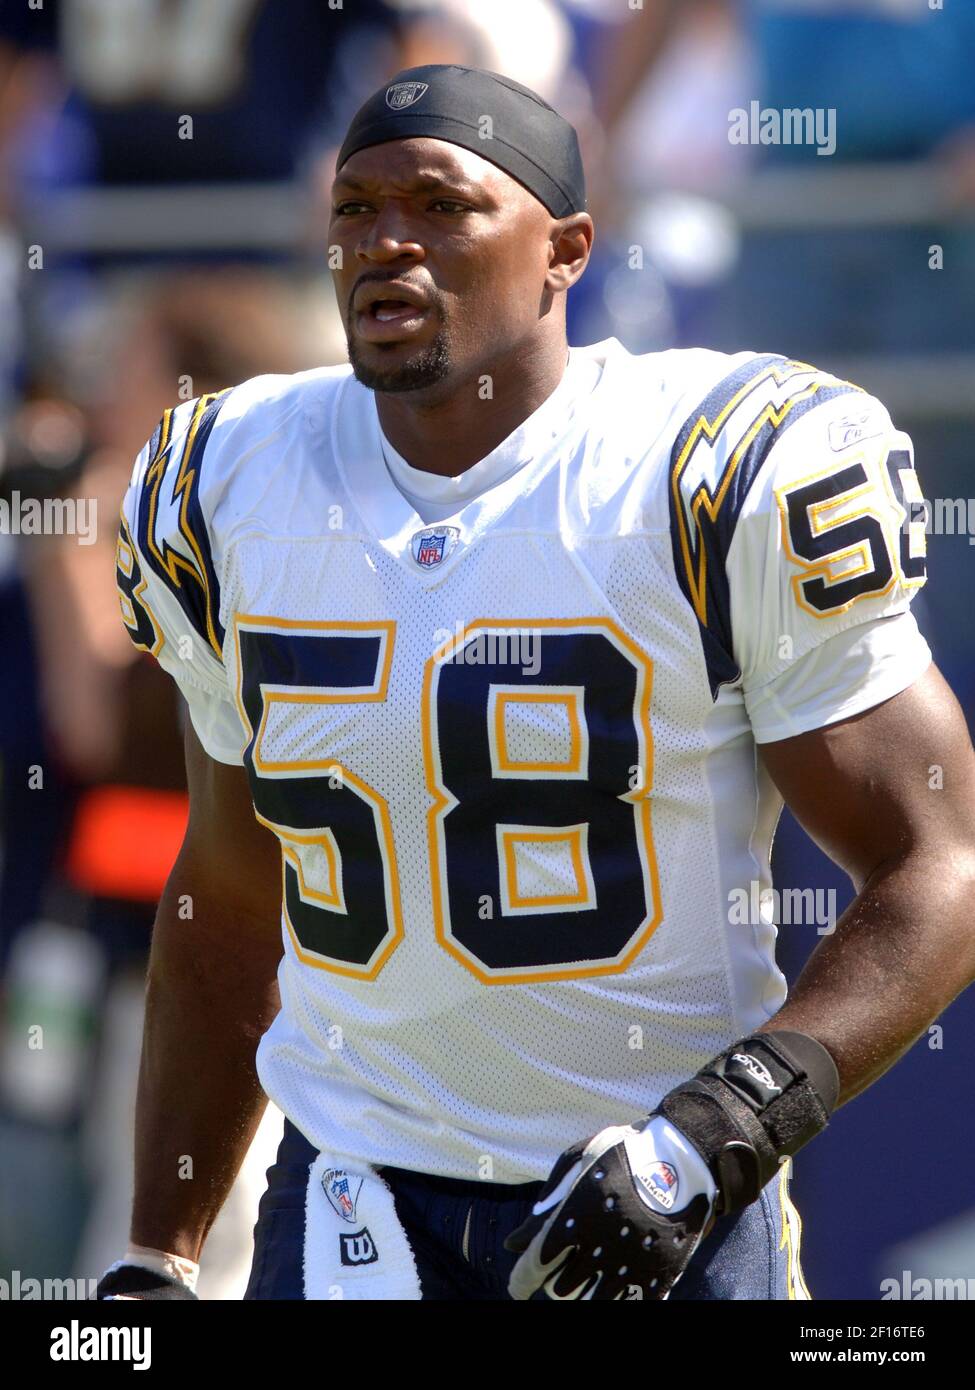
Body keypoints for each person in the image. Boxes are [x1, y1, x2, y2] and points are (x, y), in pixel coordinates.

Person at [99, 65, 975, 1302]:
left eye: (439, 204)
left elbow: (941, 861)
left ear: (565, 250)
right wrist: (159, 1252)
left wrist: (722, 1126)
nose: (384, 241)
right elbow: (237, 888)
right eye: (354, 208)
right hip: (352, 1190)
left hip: (654, 1186)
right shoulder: (229, 478)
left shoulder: (715, 469)